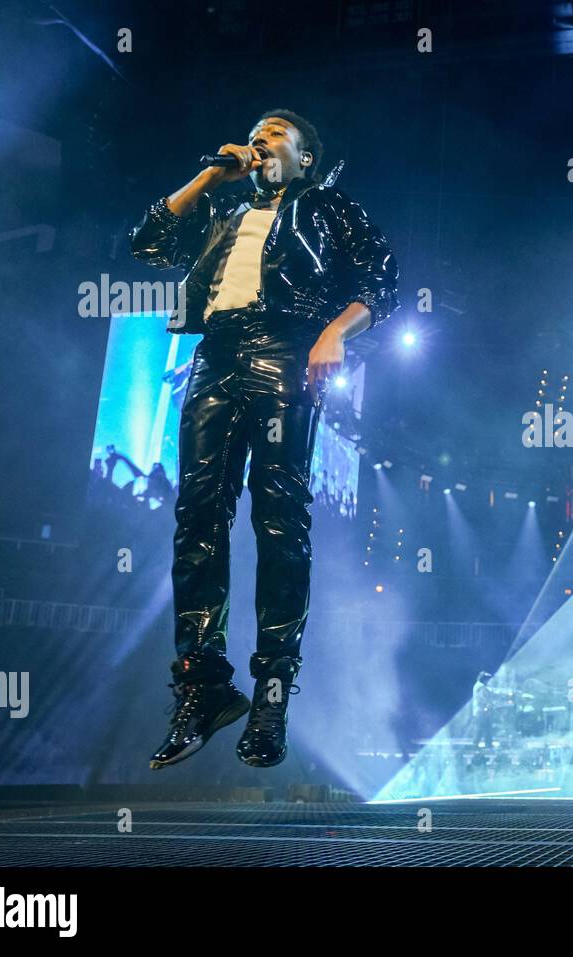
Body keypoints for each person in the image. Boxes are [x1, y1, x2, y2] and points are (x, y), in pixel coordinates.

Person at [133, 109, 398, 769]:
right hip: (216, 355)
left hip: (285, 348)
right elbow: (147, 240)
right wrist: (211, 174)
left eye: (278, 132)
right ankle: (202, 684)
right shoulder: (224, 212)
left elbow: (382, 281)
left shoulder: (328, 206)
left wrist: (334, 333)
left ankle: (273, 691)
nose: (263, 138)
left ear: (305, 157)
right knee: (198, 513)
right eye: (257, 131)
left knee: (279, 515)